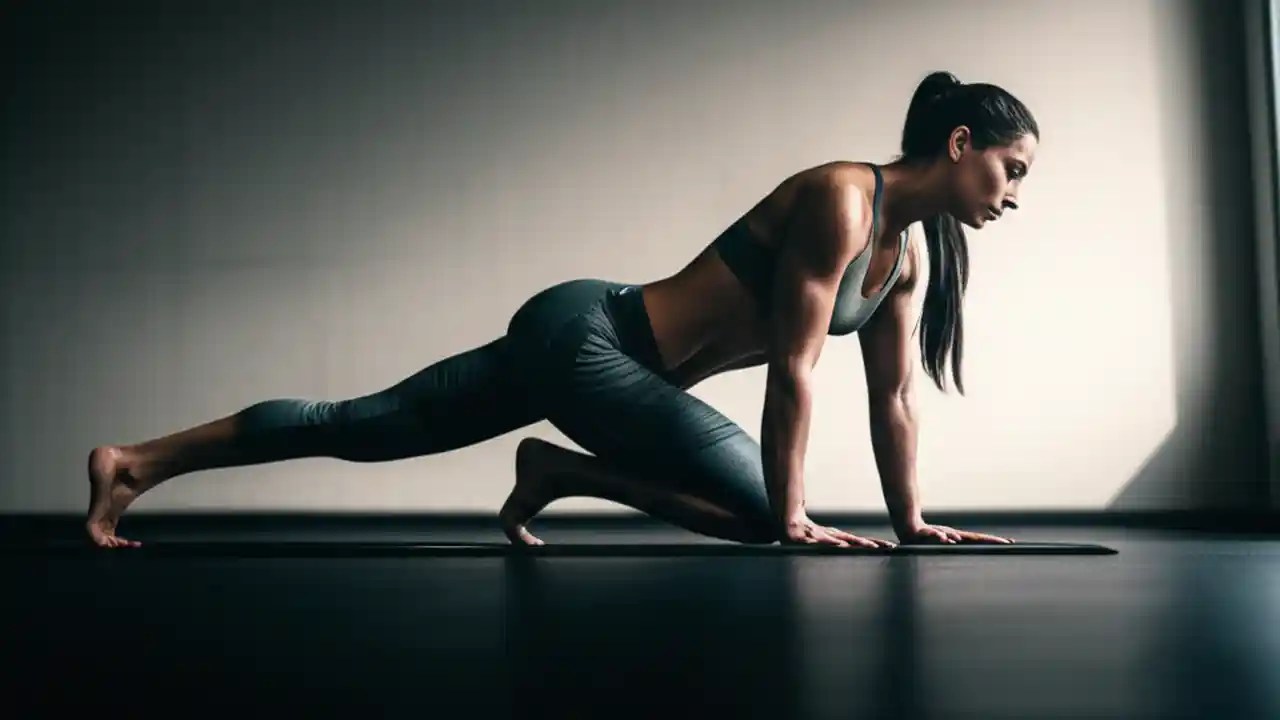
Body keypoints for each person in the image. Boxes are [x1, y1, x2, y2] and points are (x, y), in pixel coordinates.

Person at [85, 70, 1036, 550]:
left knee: (369, 426)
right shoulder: (842, 197)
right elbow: (794, 369)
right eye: (1011, 169)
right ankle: (562, 472)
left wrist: (910, 521)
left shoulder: (903, 261)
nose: (1013, 194)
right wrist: (792, 518)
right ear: (961, 142)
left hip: (605, 368)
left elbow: (895, 402)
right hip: (590, 338)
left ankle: (133, 464)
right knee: (762, 511)